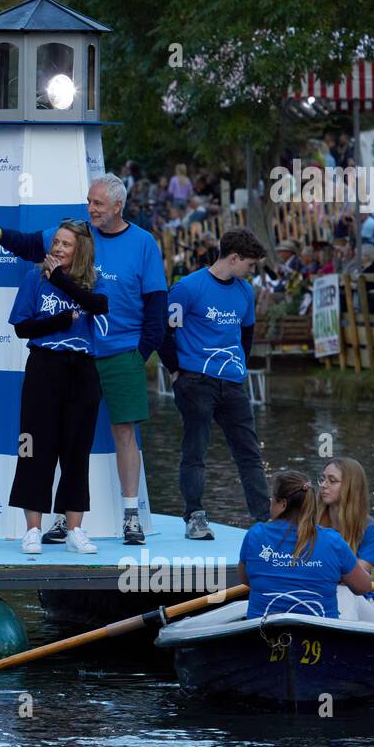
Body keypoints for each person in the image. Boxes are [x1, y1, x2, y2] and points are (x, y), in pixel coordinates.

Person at [0, 173, 167, 546]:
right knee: (48, 440)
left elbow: (153, 304)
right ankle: (51, 524)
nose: (91, 209)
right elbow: (31, 245)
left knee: (116, 434)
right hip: (59, 360)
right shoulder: (72, 237)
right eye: (89, 202)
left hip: (118, 353)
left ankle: (129, 515)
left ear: (118, 206)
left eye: (98, 203)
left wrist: (140, 353)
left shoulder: (142, 244)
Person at [158, 228, 270, 537]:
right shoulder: (187, 288)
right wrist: (175, 371)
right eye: (250, 264)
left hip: (231, 383)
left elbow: (246, 335)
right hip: (195, 381)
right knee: (196, 449)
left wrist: (239, 366)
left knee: (249, 452)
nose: (252, 271)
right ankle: (194, 515)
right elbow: (163, 332)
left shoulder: (244, 291)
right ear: (234, 258)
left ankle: (264, 520)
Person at [6, 220, 109, 554]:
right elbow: (23, 328)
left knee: (76, 451)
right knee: (34, 447)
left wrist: (61, 279)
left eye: (66, 244)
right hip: (44, 367)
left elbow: (98, 307)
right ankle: (32, 529)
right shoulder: (34, 278)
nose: (58, 249)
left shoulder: (93, 280)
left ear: (81, 250)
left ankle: (74, 530)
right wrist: (60, 322)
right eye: (57, 243)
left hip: (82, 370)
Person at [237, 470, 373, 620]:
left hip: (262, 630)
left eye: (272, 498)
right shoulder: (333, 541)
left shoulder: (255, 535)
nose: (270, 502)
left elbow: (245, 579)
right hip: (321, 633)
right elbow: (363, 587)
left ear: (283, 504)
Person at [316, 457, 374, 623]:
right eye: (322, 479)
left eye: (332, 481)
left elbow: (354, 576)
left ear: (350, 487)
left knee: (344, 593)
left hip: (355, 598)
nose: (324, 485)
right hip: (314, 592)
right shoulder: (307, 522)